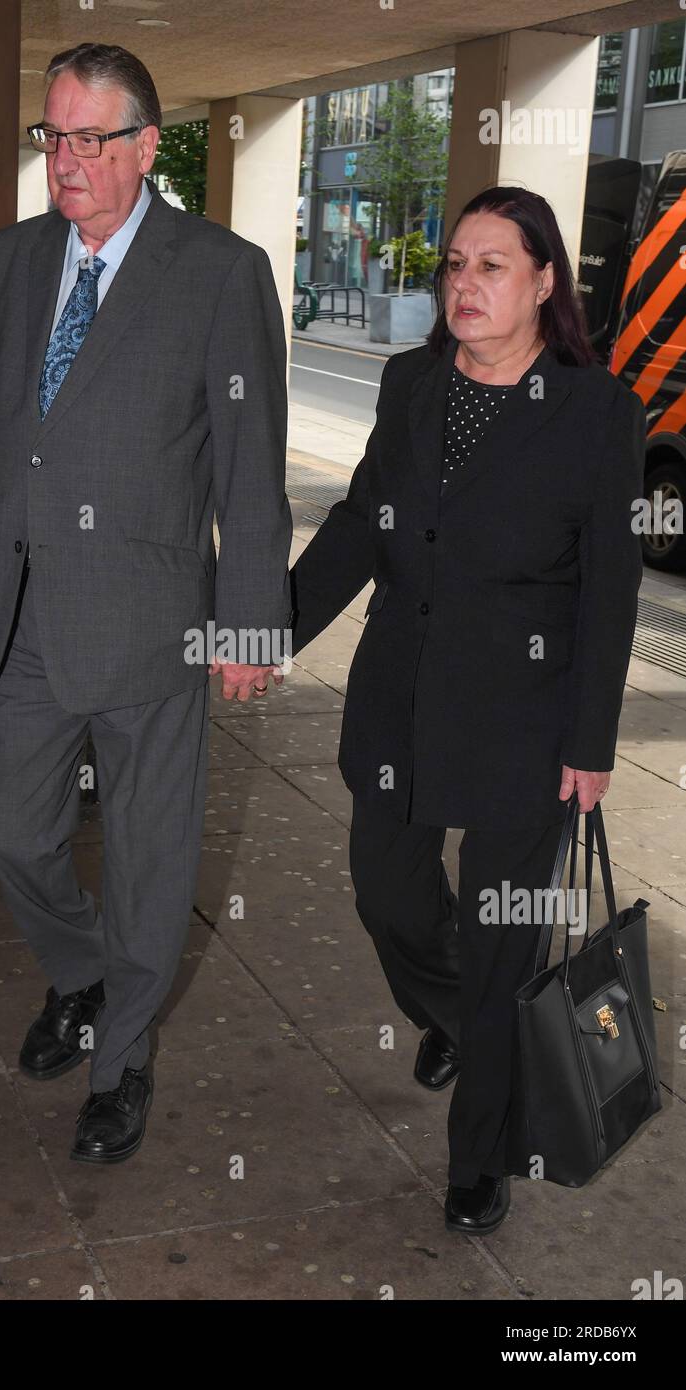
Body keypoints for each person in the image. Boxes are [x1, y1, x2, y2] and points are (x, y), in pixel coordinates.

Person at [0, 43, 291, 1165]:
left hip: (156, 623)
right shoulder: (6, 265)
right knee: (10, 835)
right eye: (55, 136)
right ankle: (87, 975)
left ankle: (123, 1059)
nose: (68, 160)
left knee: (151, 862)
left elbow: (250, 469)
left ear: (149, 147)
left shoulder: (217, 271)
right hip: (24, 612)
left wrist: (250, 618)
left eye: (92, 139)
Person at [289, 185, 645, 1235]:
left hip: (526, 723)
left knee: (502, 942)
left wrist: (590, 744)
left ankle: (482, 1149)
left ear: (544, 284)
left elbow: (614, 589)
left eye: (494, 265)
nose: (466, 284)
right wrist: (270, 632)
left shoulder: (597, 412)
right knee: (386, 894)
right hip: (400, 701)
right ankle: (454, 1018)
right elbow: (363, 520)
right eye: (455, 264)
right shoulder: (410, 385)